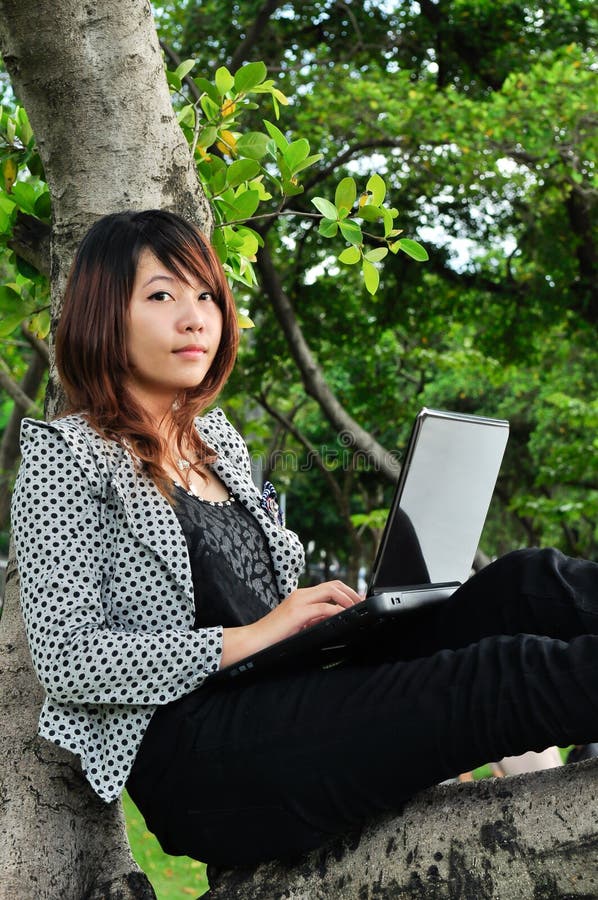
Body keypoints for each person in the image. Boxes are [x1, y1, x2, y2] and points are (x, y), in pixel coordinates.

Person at [11, 209, 598, 869]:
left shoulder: (222, 446)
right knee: (501, 674)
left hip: (297, 693)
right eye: (161, 296)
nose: (195, 316)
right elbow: (68, 660)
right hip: (200, 762)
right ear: (104, 314)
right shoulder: (68, 456)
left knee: (528, 583)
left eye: (205, 295)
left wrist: (334, 618)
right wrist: (258, 635)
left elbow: (268, 608)